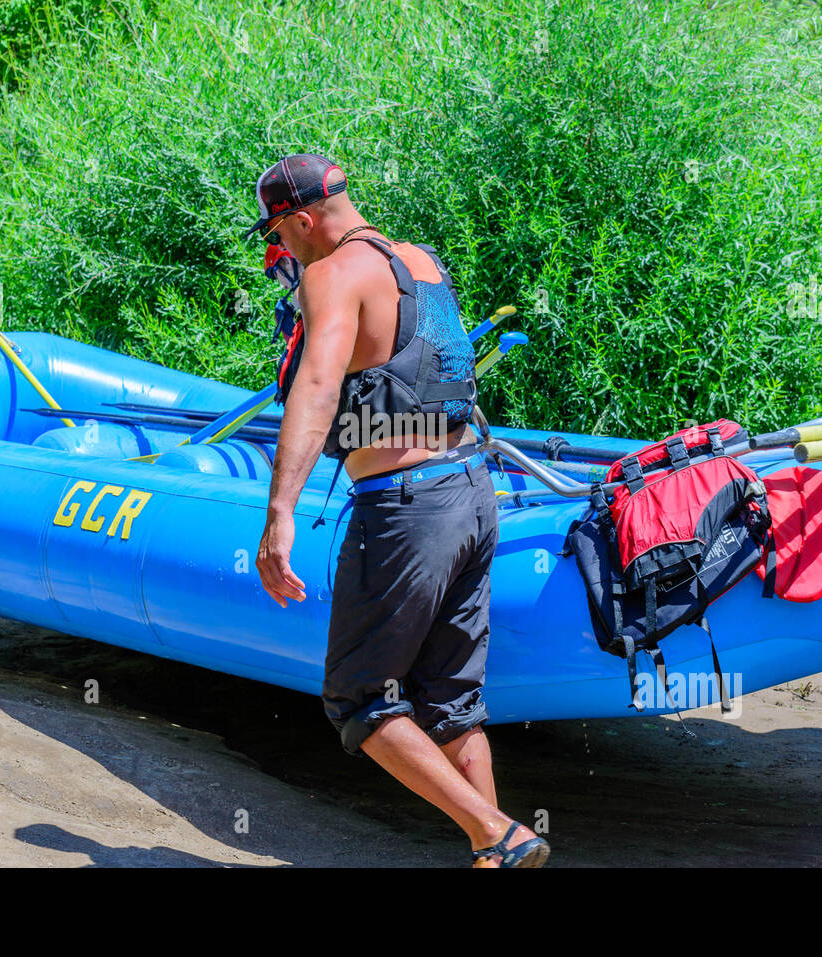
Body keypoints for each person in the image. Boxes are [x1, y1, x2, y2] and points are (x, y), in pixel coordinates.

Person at [248, 153, 549, 867]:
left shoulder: (331, 274)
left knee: (359, 700)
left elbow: (317, 389)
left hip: (407, 510)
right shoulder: (420, 260)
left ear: (301, 218)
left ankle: (498, 832)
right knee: (450, 705)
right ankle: (496, 851)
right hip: (473, 490)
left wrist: (280, 512)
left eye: (279, 235)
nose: (280, 251)